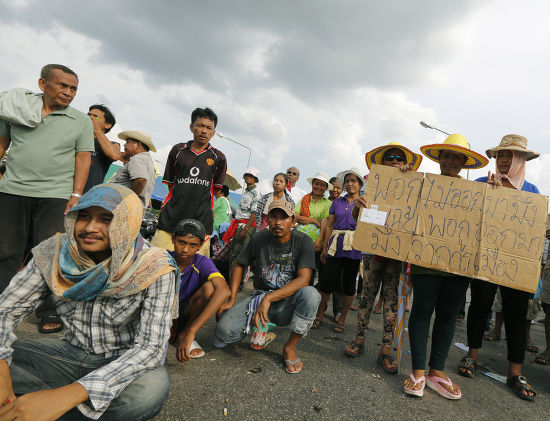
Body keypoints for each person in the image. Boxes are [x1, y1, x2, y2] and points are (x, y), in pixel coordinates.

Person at [0, 184, 178, 420]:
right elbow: (5, 311)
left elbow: (149, 350)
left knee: (150, 389)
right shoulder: (54, 253)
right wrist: (1, 364)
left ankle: (42, 407)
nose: (90, 228)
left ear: (128, 222)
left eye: (106, 218)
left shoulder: (154, 266)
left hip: (121, 362)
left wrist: (67, 395)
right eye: (83, 216)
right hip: (65, 356)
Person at [0, 64, 94, 335]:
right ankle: (3, 305)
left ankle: (49, 310)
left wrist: (76, 194)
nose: (68, 92)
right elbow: (2, 143)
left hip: (55, 195)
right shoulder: (16, 110)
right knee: (5, 252)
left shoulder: (80, 120)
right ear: (42, 84)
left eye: (73, 88)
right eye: (63, 85)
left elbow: (83, 157)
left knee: (51, 255)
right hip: (12, 190)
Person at [402, 134, 488, 399]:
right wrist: (402, 179)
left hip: (458, 267)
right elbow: (400, 205)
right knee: (421, 312)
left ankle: (436, 371)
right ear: (439, 159)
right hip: (425, 263)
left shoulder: (479, 193)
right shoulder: (421, 185)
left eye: (456, 157)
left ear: (464, 162)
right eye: (447, 155)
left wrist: (496, 190)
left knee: (448, 316)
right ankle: (417, 370)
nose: (451, 161)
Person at [459, 134, 541, 401]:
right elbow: (468, 220)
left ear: (520, 160)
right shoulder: (483, 184)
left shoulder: (531, 192)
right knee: (480, 305)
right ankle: (471, 355)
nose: (504, 160)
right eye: (501, 155)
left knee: (517, 314)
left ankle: (515, 371)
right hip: (485, 259)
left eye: (510, 156)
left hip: (515, 264)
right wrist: (487, 195)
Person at [214, 200, 320, 374]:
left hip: (288, 303)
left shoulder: (303, 241)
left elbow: (303, 280)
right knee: (223, 334)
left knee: (311, 295)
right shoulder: (260, 238)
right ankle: (264, 328)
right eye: (274, 217)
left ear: (293, 221)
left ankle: (290, 348)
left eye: (284, 218)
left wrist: (269, 298)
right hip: (259, 298)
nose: (278, 222)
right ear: (268, 219)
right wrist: (232, 297)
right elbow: (239, 264)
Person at [345, 142, 422, 375]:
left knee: (391, 299)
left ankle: (386, 346)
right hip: (373, 251)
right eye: (390, 158)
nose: (395, 161)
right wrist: (358, 206)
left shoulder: (413, 186)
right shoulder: (372, 185)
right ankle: (359, 338)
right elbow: (359, 218)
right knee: (366, 296)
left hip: (396, 254)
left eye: (399, 158)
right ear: (383, 162)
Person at [152, 107, 227, 257]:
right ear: (191, 127)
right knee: (156, 262)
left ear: (213, 132)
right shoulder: (178, 150)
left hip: (201, 223)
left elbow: (215, 190)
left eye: (209, 127)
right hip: (170, 220)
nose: (204, 131)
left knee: (193, 272)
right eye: (200, 125)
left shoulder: (219, 157)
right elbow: (171, 184)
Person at [169, 219, 230, 362]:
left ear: (200, 245)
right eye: (181, 242)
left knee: (210, 288)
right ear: (173, 239)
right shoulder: (163, 257)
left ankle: (184, 335)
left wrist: (192, 331)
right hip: (162, 312)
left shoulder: (202, 262)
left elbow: (224, 291)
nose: (185, 249)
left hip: (186, 312)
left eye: (192, 245)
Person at [314, 168, 363, 333]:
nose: (350, 184)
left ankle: (342, 318)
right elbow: (329, 225)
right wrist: (325, 247)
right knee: (327, 281)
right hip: (335, 246)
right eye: (347, 181)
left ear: (360, 184)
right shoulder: (337, 202)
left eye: (353, 181)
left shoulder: (365, 203)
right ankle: (320, 313)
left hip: (354, 247)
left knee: (348, 285)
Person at [295, 171, 333, 286]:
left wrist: (319, 240)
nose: (318, 187)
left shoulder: (328, 204)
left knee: (309, 272)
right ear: (312, 184)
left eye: (322, 185)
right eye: (316, 183)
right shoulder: (304, 199)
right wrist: (313, 220)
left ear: (326, 188)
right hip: (298, 240)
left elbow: (325, 222)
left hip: (315, 243)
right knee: (294, 269)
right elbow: (296, 216)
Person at [225, 167, 262, 267]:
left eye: (251, 176)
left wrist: (245, 229)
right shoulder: (246, 191)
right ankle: (231, 279)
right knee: (233, 254)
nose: (248, 177)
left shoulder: (256, 192)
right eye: (247, 175)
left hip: (247, 226)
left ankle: (238, 282)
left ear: (255, 179)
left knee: (241, 256)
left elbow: (254, 213)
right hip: (239, 224)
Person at [110, 130, 156, 208]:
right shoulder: (147, 160)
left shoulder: (137, 158)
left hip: (121, 208)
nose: (124, 145)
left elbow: (140, 181)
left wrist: (126, 203)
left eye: (127, 142)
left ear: (138, 145)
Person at [83, 104, 120, 193]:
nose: (90, 117)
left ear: (107, 125)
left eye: (95, 116)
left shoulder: (113, 145)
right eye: (89, 115)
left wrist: (96, 130)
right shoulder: (78, 139)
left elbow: (114, 155)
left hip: (87, 195)